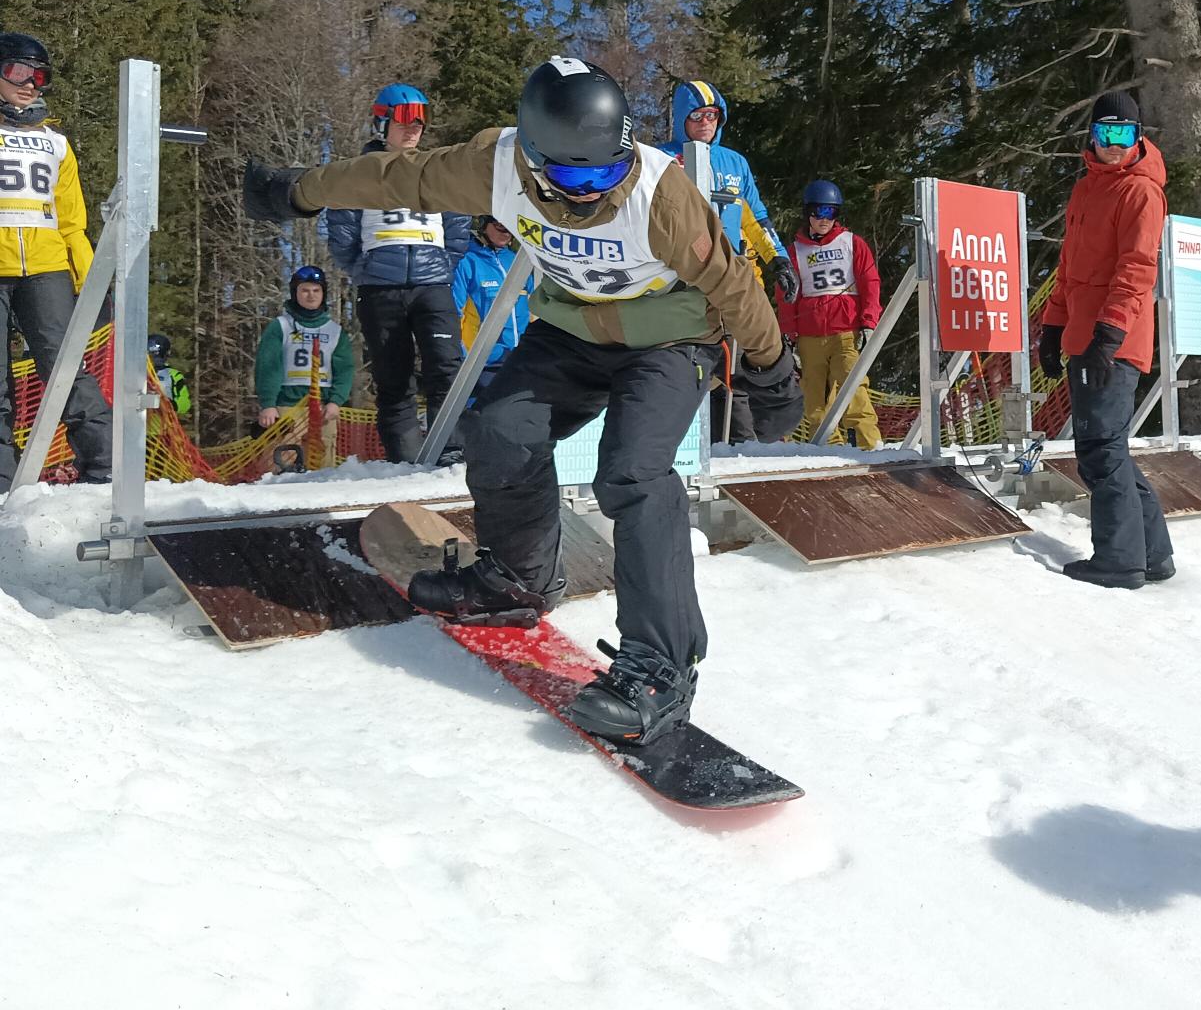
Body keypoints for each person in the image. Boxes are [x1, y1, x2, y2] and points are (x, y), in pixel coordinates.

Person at [243, 56, 802, 745]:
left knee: (633, 474)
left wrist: (773, 370)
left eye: (610, 170)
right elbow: (394, 178)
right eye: (578, 179)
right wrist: (300, 191)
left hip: (669, 341)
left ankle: (660, 667)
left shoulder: (660, 193)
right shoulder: (494, 167)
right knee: (499, 431)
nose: (597, 190)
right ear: (535, 160)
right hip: (572, 329)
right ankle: (518, 580)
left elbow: (733, 282)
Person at [1037, 90, 1174, 589]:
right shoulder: (1086, 190)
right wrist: (1053, 327)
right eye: (1105, 133)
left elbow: (1136, 270)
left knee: (1100, 450)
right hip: (1084, 336)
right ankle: (1152, 555)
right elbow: (1069, 268)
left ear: (1138, 137)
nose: (1113, 145)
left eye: (1123, 134)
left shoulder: (1141, 191)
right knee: (1108, 447)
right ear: (1091, 136)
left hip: (1113, 341)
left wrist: (1109, 333)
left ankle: (1119, 561)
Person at [325, 84, 470, 464]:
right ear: (381, 122)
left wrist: (443, 265)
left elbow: (458, 224)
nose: (414, 127)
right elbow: (342, 234)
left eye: (421, 119)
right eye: (405, 119)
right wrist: (366, 271)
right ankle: (404, 461)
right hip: (381, 290)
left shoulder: (438, 171)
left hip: (432, 285)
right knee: (393, 378)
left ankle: (450, 452)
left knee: (447, 368)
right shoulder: (358, 174)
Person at [0, 32, 112, 487]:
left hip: (46, 269)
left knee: (65, 368)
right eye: (18, 72)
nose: (29, 84)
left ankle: (104, 469)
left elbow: (72, 221)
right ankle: (3, 481)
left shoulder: (56, 144)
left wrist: (90, 280)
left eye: (40, 77)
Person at [666, 80, 798, 443]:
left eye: (713, 116)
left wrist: (779, 260)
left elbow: (756, 218)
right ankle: (686, 442)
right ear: (681, 119)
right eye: (697, 116)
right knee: (687, 361)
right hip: (680, 281)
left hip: (733, 277)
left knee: (739, 360)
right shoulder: (660, 159)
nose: (706, 123)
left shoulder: (735, 163)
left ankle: (744, 443)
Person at [779, 180, 882, 449]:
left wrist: (869, 322)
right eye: (819, 212)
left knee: (853, 388)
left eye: (831, 212)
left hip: (846, 333)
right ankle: (826, 448)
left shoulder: (852, 244)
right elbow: (787, 296)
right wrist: (789, 334)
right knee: (815, 398)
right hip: (810, 336)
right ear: (808, 213)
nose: (824, 219)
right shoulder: (795, 252)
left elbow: (870, 283)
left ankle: (870, 446)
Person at [252, 264, 355, 466]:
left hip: (323, 408)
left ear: (323, 294)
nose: (311, 295)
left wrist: (336, 401)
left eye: (316, 290)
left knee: (323, 465)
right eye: (305, 290)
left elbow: (345, 370)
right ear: (295, 293)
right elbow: (268, 367)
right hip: (286, 407)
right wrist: (268, 404)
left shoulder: (335, 331)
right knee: (281, 463)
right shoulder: (280, 326)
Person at [448, 215, 532, 392]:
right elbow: (454, 313)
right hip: (482, 363)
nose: (506, 232)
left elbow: (533, 309)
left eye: (510, 227)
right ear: (483, 225)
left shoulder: (516, 261)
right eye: (500, 225)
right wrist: (461, 356)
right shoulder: (467, 261)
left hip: (518, 359)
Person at [147, 332, 193, 421]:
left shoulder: (174, 375)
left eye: (158, 356)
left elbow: (185, 404)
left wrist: (170, 404)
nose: (155, 359)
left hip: (161, 426)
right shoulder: (136, 372)